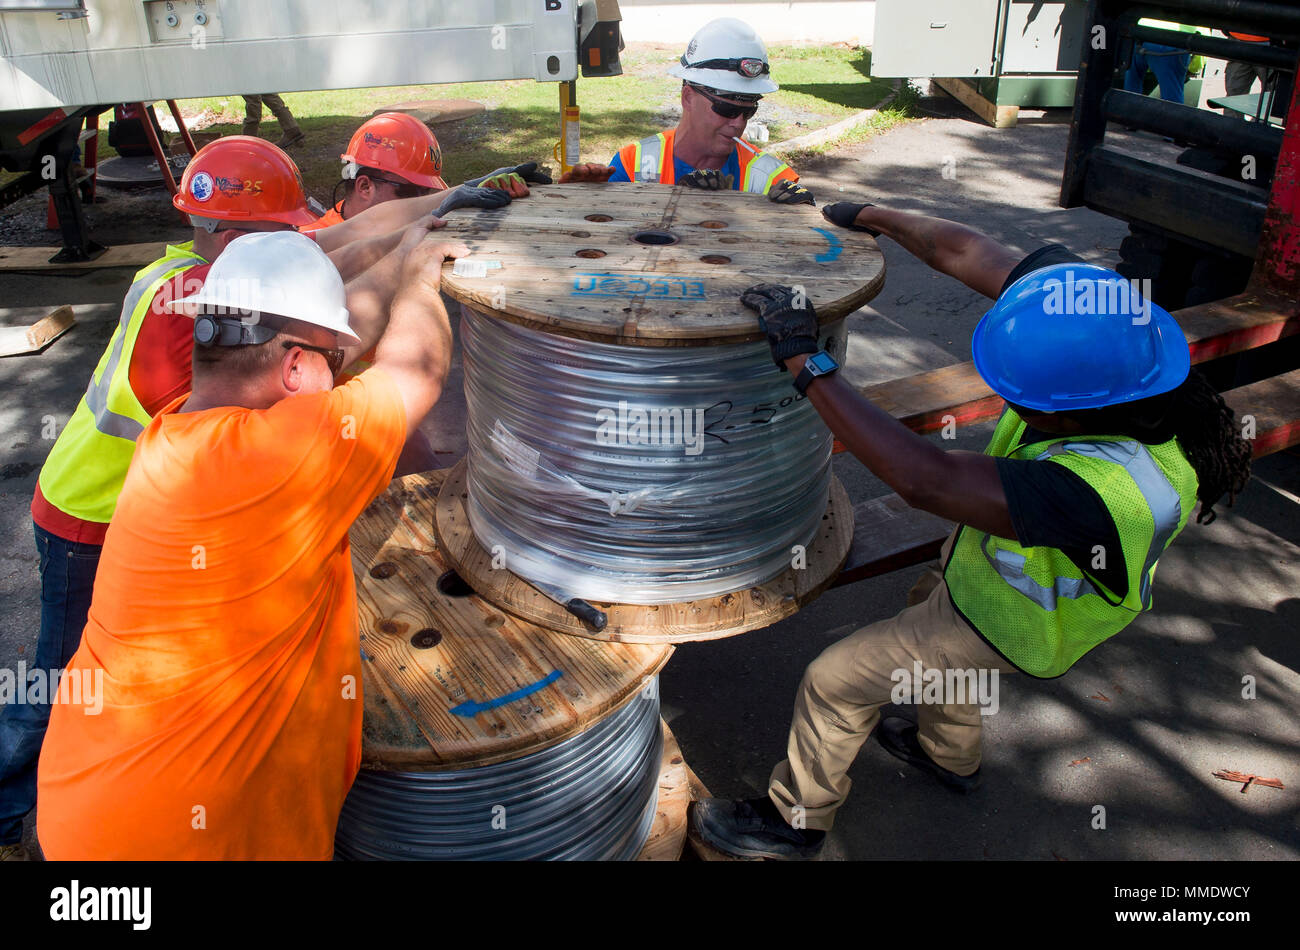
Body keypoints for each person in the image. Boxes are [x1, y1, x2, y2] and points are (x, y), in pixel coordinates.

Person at [688, 201, 1252, 860]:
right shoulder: (1110, 339)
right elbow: (966, 251)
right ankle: (948, 755)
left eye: (1020, 397)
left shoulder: (1105, 493)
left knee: (835, 680)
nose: (1010, 399)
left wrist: (802, 359)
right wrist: (875, 214)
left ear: (1066, 419)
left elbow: (922, 478)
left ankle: (795, 822)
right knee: (928, 621)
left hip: (1023, 617)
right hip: (998, 568)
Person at [0, 135, 453, 862]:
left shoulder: (181, 424)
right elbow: (417, 367)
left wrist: (409, 251)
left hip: (87, 830)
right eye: (337, 364)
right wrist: (426, 279)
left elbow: (327, 329)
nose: (345, 375)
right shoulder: (281, 455)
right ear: (300, 368)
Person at [564, 18, 812, 205]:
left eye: (748, 112)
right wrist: (579, 200)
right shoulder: (633, 165)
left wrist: (803, 217)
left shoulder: (771, 178)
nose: (738, 124)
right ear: (688, 97)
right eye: (726, 108)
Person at [308, 112, 539, 228]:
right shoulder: (318, 248)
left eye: (426, 193)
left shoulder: (359, 222)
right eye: (412, 191)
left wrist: (478, 183)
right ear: (365, 186)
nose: (423, 201)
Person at [1123, 20, 1196, 104]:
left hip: (1141, 31)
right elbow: (1199, 61)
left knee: (1131, 90)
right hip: (1172, 42)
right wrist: (1192, 69)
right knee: (1172, 100)